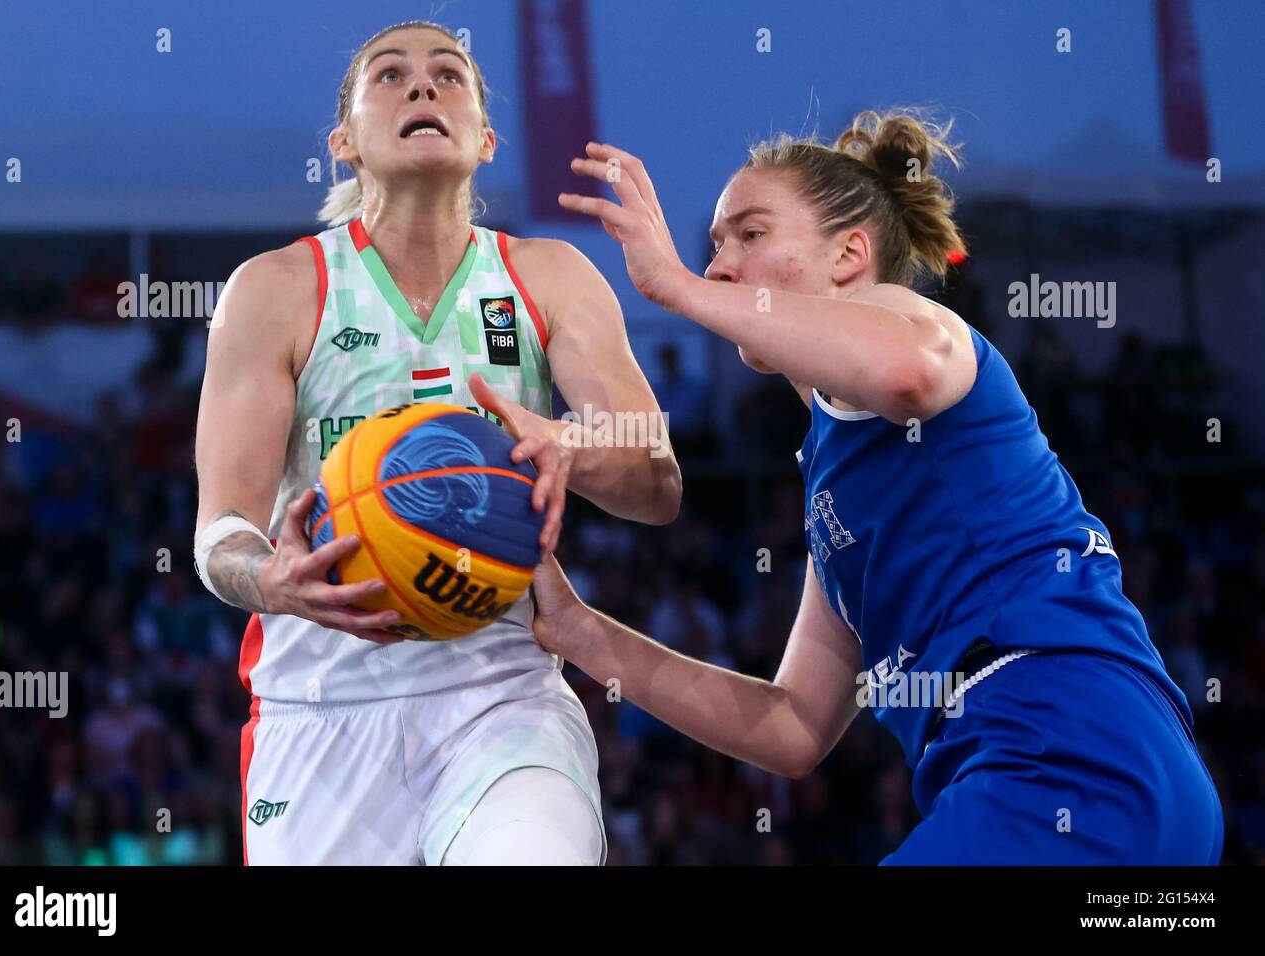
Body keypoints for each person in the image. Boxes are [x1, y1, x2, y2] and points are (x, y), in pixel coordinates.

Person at [533, 110, 1223, 863]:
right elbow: (791, 726)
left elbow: (907, 371)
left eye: (751, 234)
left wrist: (670, 286)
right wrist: (581, 632)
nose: (720, 266)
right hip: (1076, 772)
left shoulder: (906, 321)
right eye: (714, 246)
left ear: (850, 254)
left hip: (1069, 748)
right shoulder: (832, 469)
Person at [192, 20, 680, 865]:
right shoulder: (272, 290)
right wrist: (267, 577)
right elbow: (219, 532)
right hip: (322, 705)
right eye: (390, 75)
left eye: (449, 74)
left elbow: (657, 481)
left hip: (499, 695)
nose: (423, 87)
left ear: (487, 140)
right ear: (343, 143)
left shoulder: (549, 275)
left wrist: (569, 445)